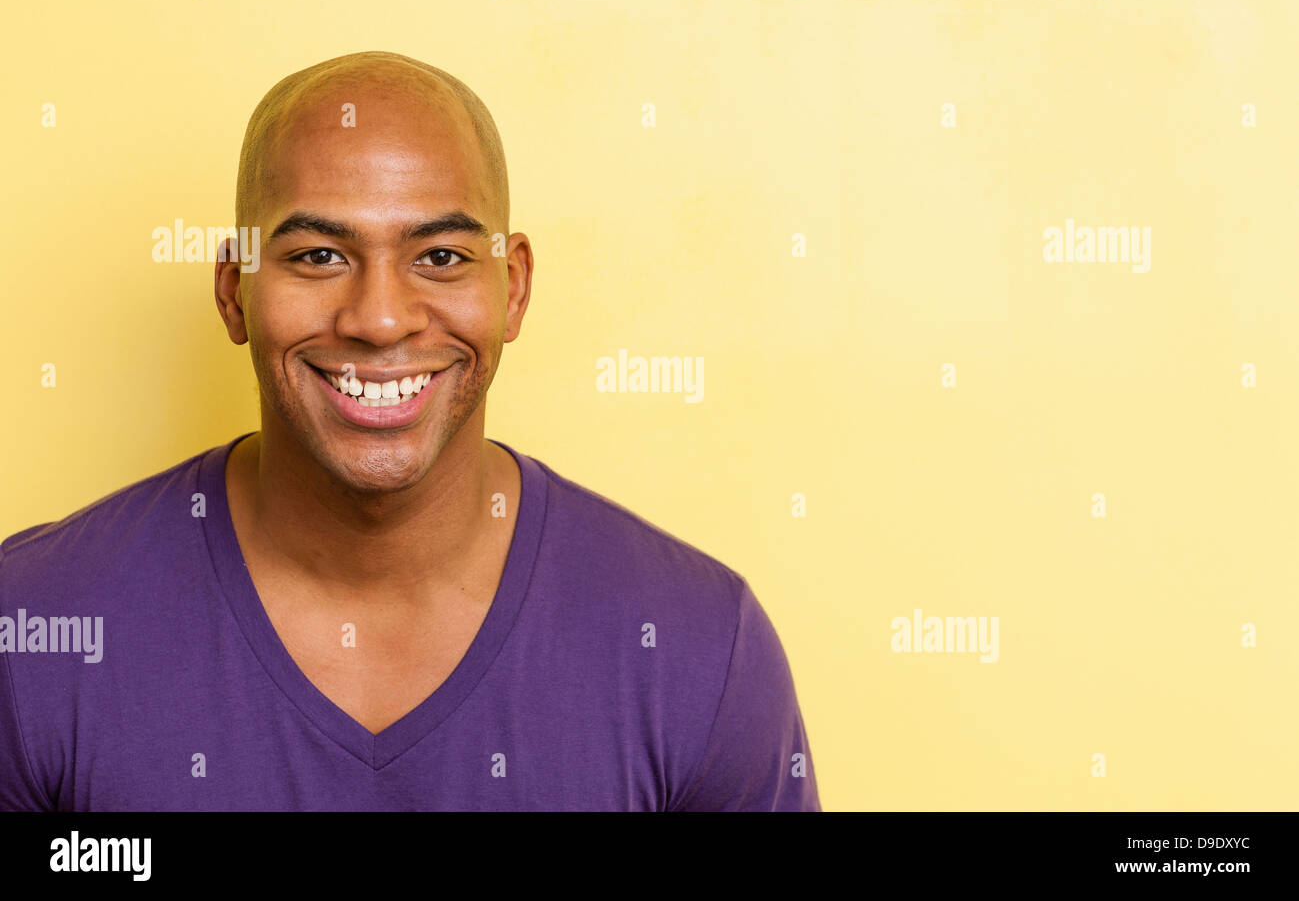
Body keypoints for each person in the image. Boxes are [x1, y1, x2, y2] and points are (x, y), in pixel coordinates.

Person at [0, 51, 820, 810]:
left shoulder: (700, 649)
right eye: (319, 255)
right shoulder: (33, 630)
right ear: (232, 290)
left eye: (442, 257)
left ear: (515, 288)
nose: (381, 318)